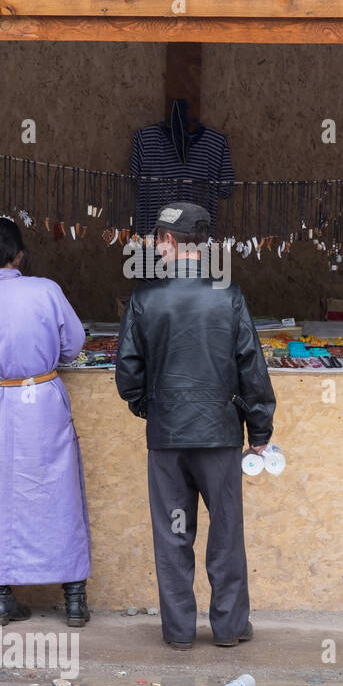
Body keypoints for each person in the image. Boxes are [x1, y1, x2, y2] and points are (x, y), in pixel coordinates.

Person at [115, 201, 276, 650]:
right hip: (220, 435)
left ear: (167, 241)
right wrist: (259, 431)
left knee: (173, 535)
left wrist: (148, 407)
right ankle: (228, 629)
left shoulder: (144, 298)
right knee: (226, 535)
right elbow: (252, 369)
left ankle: (179, 632)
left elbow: (128, 374)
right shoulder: (229, 294)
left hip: (167, 437)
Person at [0, 217, 92, 627]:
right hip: (40, 397)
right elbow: (74, 345)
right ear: (20, 254)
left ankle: (0, 600)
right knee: (58, 495)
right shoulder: (47, 290)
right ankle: (74, 600)